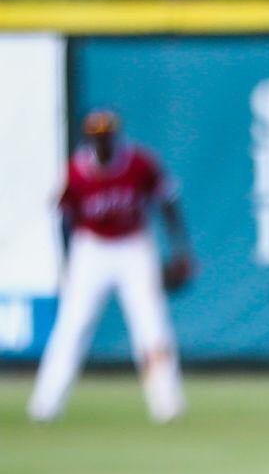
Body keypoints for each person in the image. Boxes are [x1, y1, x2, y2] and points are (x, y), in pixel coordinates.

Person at [28, 108, 194, 423]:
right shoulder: (76, 171)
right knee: (72, 325)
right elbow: (63, 217)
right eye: (97, 136)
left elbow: (167, 200)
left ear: (116, 136)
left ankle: (167, 404)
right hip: (91, 249)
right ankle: (45, 406)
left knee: (151, 324)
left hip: (134, 246)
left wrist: (181, 249)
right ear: (88, 139)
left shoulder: (139, 163)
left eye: (107, 135)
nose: (102, 141)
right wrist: (68, 262)